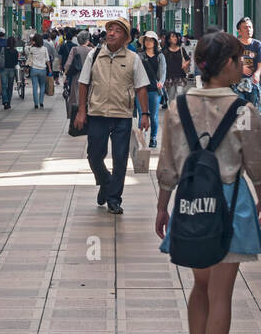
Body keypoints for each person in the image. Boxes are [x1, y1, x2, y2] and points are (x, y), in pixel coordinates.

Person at [154, 30, 261, 334]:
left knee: (200, 286)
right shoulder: (241, 110)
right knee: (223, 293)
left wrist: (162, 205)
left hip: (190, 205)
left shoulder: (179, 106)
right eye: (238, 59)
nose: (243, 64)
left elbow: (168, 163)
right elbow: (257, 162)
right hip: (230, 203)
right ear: (226, 65)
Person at [74, 17, 150, 214]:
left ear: (125, 37)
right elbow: (83, 83)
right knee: (94, 156)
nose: (111, 33)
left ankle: (114, 199)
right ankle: (106, 183)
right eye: (110, 30)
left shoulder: (133, 59)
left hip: (122, 115)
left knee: (120, 158)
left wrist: (145, 114)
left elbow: (141, 87)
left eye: (117, 31)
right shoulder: (95, 54)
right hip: (97, 114)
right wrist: (82, 111)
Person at [135, 31, 166, 148]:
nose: (148, 42)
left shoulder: (160, 56)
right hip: (140, 88)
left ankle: (153, 138)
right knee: (142, 114)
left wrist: (161, 83)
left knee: (153, 116)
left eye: (151, 40)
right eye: (146, 40)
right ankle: (141, 137)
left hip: (154, 89)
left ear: (155, 42)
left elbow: (163, 72)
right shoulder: (139, 56)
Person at [235, 18, 261, 112]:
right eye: (245, 28)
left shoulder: (257, 44)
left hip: (252, 83)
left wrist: (257, 73)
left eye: (250, 27)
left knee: (251, 109)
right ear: (239, 31)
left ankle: (247, 126)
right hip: (236, 83)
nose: (249, 30)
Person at [162, 31, 190, 103]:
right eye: (172, 37)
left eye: (175, 36)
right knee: (171, 98)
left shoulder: (181, 49)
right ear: (168, 40)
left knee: (180, 94)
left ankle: (178, 112)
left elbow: (188, 59)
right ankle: (172, 112)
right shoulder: (165, 51)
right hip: (169, 77)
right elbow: (161, 64)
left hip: (180, 76)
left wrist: (186, 64)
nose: (175, 38)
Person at [25, 34, 51, 108]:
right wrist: (50, 69)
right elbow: (47, 60)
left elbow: (29, 59)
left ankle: (36, 104)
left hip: (34, 70)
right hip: (43, 70)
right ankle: (41, 102)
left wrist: (27, 68)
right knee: (42, 86)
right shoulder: (45, 49)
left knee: (35, 87)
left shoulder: (32, 49)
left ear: (35, 41)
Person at [0, 36, 19, 109]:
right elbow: (16, 62)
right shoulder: (15, 51)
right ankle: (8, 102)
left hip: (4, 70)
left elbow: (0, 58)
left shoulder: (3, 49)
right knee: (10, 87)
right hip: (12, 70)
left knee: (4, 86)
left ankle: (5, 100)